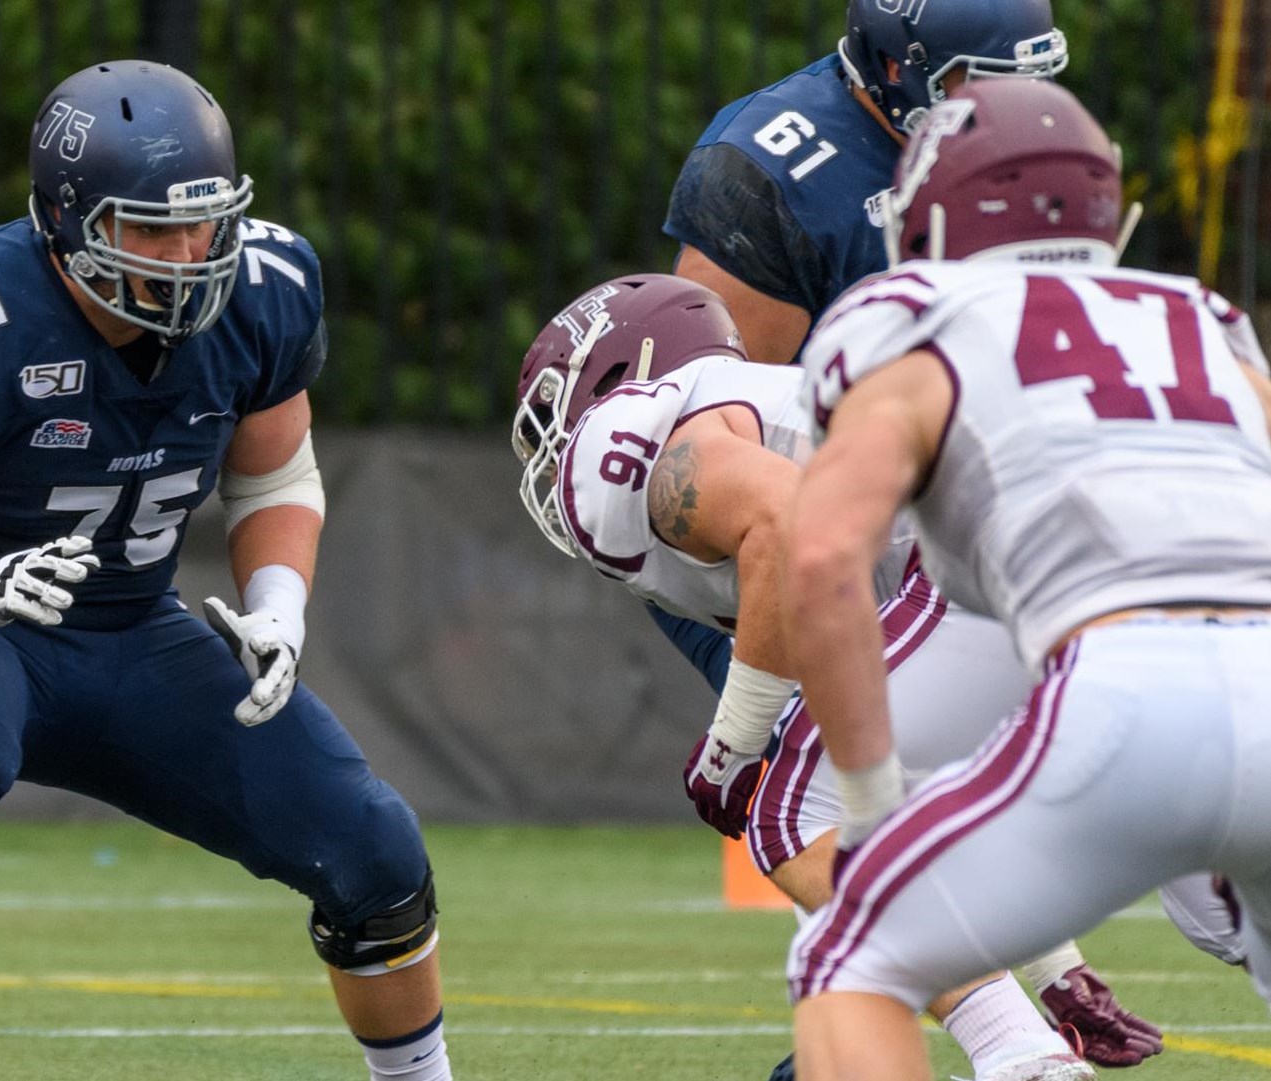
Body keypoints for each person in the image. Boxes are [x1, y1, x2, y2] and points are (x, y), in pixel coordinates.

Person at [0, 60, 451, 1081]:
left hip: (128, 630)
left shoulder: (265, 291)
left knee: (371, 844)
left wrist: (278, 608)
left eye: (203, 222)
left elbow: (277, 475)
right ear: (66, 223)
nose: (190, 254)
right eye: (150, 229)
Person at [511, 273, 1133, 1081]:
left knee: (790, 818)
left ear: (612, 376)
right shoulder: (761, 428)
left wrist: (731, 745)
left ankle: (1020, 1056)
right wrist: (1056, 968)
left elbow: (784, 517)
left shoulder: (617, 447)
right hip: (1055, 543)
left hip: (983, 542)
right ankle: (1023, 1044)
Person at [781, 78, 1271, 1081]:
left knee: (851, 957)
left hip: (1130, 681)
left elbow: (825, 554)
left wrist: (874, 811)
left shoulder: (911, 313)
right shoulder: (1203, 318)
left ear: (928, 211)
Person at [663, 0, 1069, 365]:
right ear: (897, 70)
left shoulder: (1043, 149)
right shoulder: (768, 173)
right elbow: (721, 411)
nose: (1019, 109)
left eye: (1031, 80)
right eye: (991, 83)